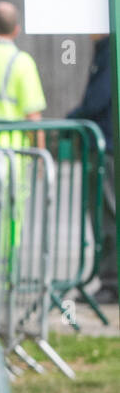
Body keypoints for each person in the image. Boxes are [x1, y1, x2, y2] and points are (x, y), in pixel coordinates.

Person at [68, 35, 117, 304]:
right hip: (107, 142)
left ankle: (112, 282)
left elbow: (98, 99)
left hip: (107, 144)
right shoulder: (105, 49)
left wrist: (71, 120)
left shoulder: (110, 51)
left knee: (107, 213)